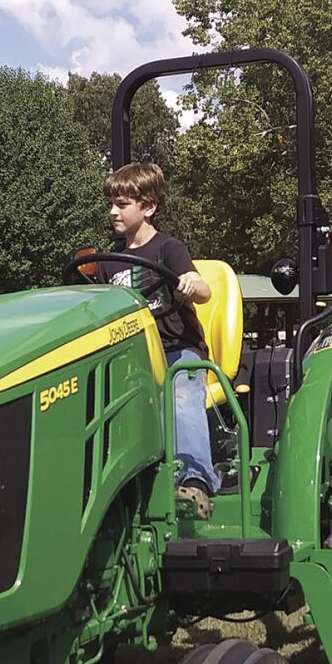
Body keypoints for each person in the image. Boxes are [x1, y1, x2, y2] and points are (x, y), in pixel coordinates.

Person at [96, 162, 220, 518]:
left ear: (148, 207)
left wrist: (190, 285)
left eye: (122, 204)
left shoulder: (168, 249)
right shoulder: (109, 260)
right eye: (111, 204)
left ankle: (195, 480)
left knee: (181, 392)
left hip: (177, 351)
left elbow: (203, 289)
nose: (113, 212)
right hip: (133, 358)